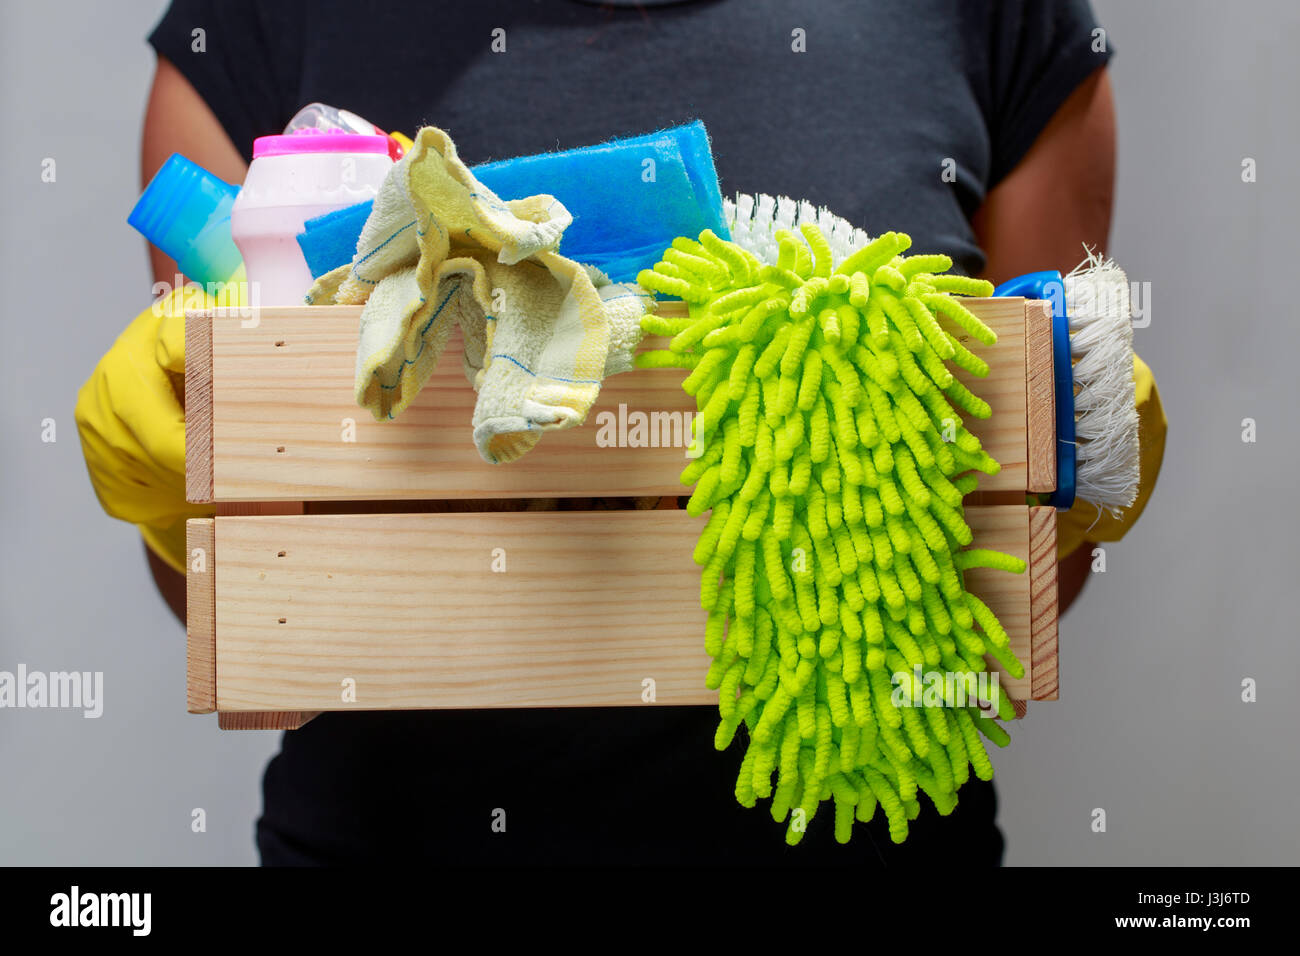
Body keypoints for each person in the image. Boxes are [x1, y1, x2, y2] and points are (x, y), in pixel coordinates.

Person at [88, 0, 1146, 864]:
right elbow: (257, 634)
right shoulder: (254, 26)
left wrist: (1078, 458)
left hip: (873, 838)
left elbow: (1019, 597)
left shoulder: (999, 18)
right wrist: (182, 504)